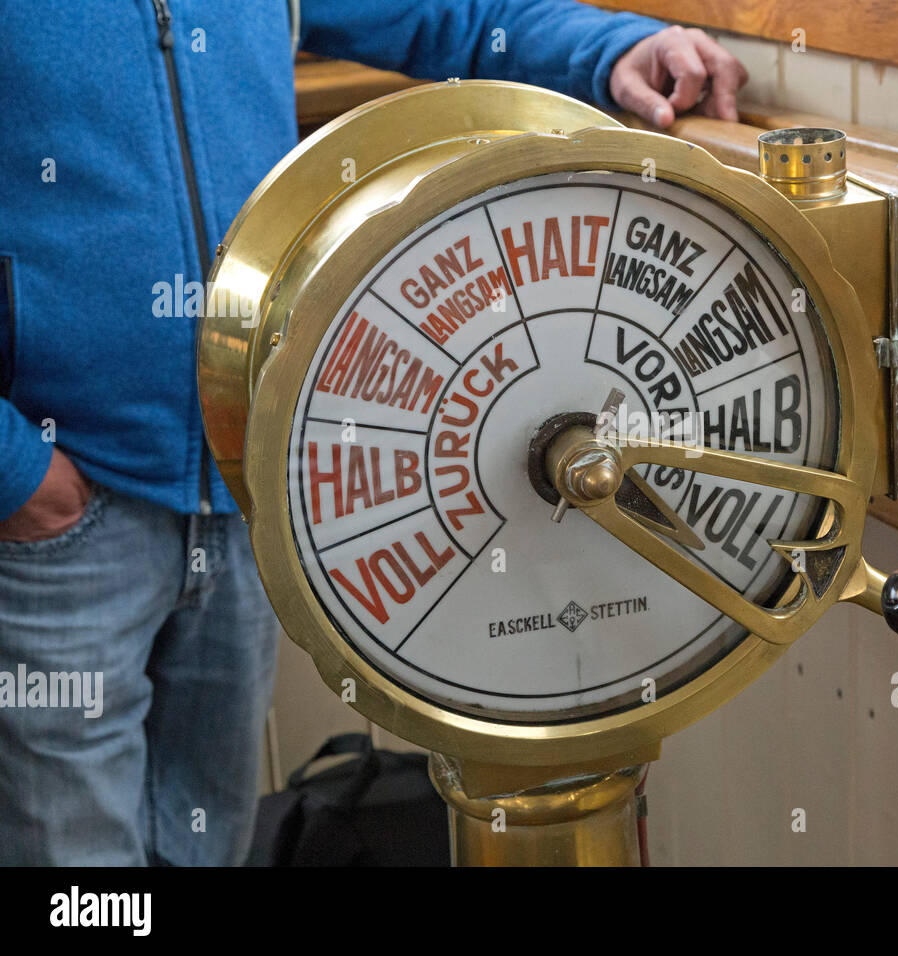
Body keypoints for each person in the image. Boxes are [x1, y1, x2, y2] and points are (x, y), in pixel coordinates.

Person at [0, 0, 748, 866]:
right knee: (75, 875)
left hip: (244, 483)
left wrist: (616, 47)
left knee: (206, 842)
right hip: (59, 511)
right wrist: (20, 479)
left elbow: (454, 14)